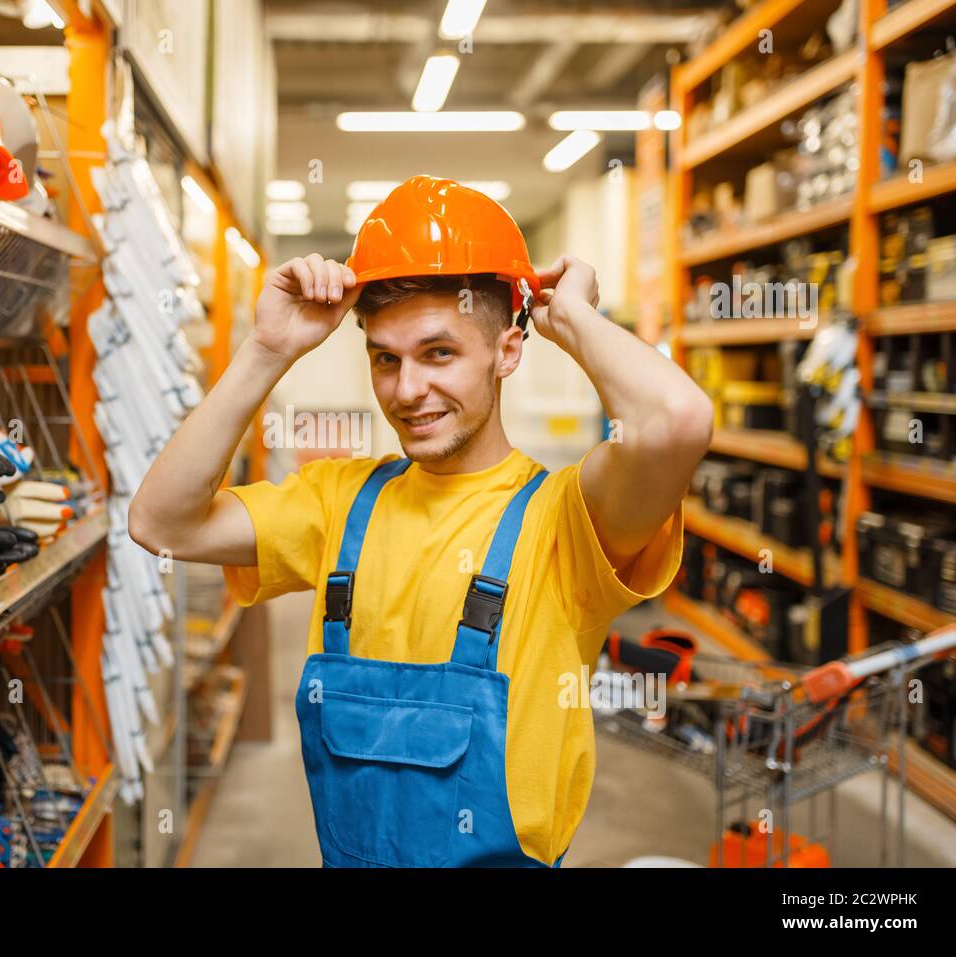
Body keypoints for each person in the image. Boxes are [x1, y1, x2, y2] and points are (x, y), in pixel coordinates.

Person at [129, 175, 713, 867]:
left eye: (439, 352)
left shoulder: (567, 521)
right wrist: (266, 350)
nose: (407, 391)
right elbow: (161, 522)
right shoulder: (339, 502)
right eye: (386, 358)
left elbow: (675, 420)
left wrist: (573, 316)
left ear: (508, 350)